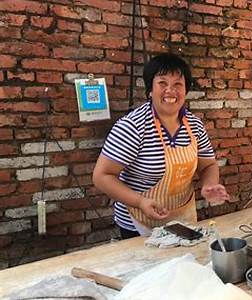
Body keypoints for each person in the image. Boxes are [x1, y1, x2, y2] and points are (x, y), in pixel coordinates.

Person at [92, 53, 230, 238]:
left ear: (186, 90)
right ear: (150, 89)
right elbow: (102, 176)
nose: (170, 91)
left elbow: (208, 165)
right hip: (139, 224)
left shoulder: (194, 125)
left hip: (183, 220)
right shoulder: (133, 126)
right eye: (162, 83)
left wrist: (209, 185)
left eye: (177, 85)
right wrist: (140, 201)